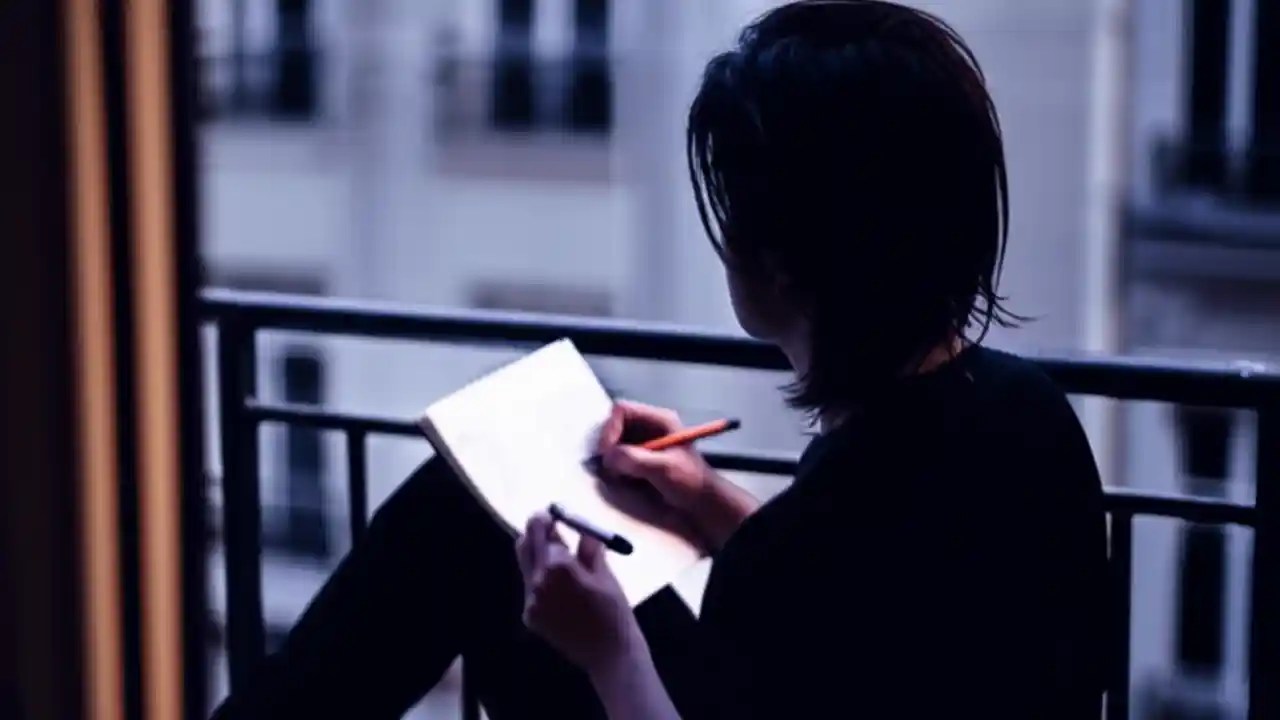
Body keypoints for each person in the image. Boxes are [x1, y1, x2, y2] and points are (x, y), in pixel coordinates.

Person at [213, 1, 1109, 717]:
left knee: (466, 519)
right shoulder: (1022, 412)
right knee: (475, 515)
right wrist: (702, 494)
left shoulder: (831, 523)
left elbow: (830, 590)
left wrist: (604, 644)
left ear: (786, 257)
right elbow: (865, 615)